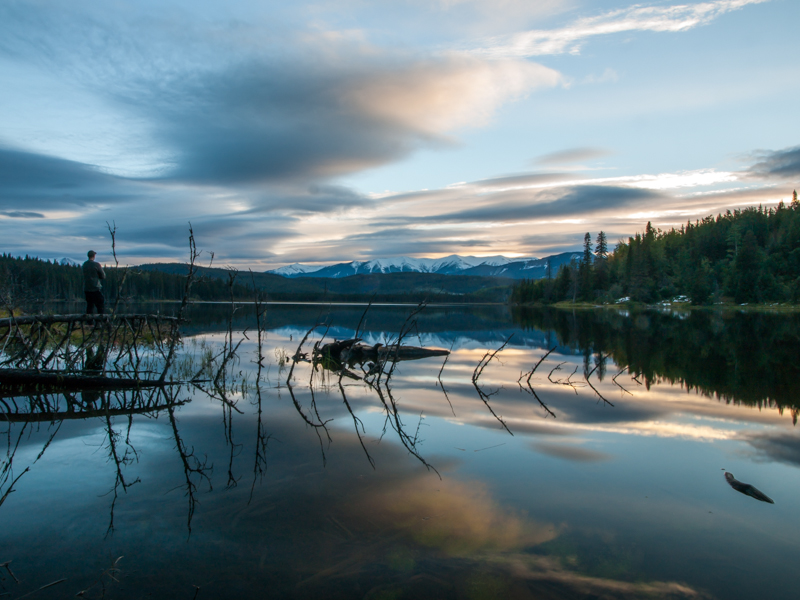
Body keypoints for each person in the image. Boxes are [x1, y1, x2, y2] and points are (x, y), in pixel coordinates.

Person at [82, 250, 106, 314]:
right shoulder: (96, 264)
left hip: (87, 289)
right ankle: (100, 321)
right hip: (95, 288)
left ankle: (89, 322)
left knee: (90, 306)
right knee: (100, 305)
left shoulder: (84, 264)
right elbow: (103, 276)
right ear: (94, 256)